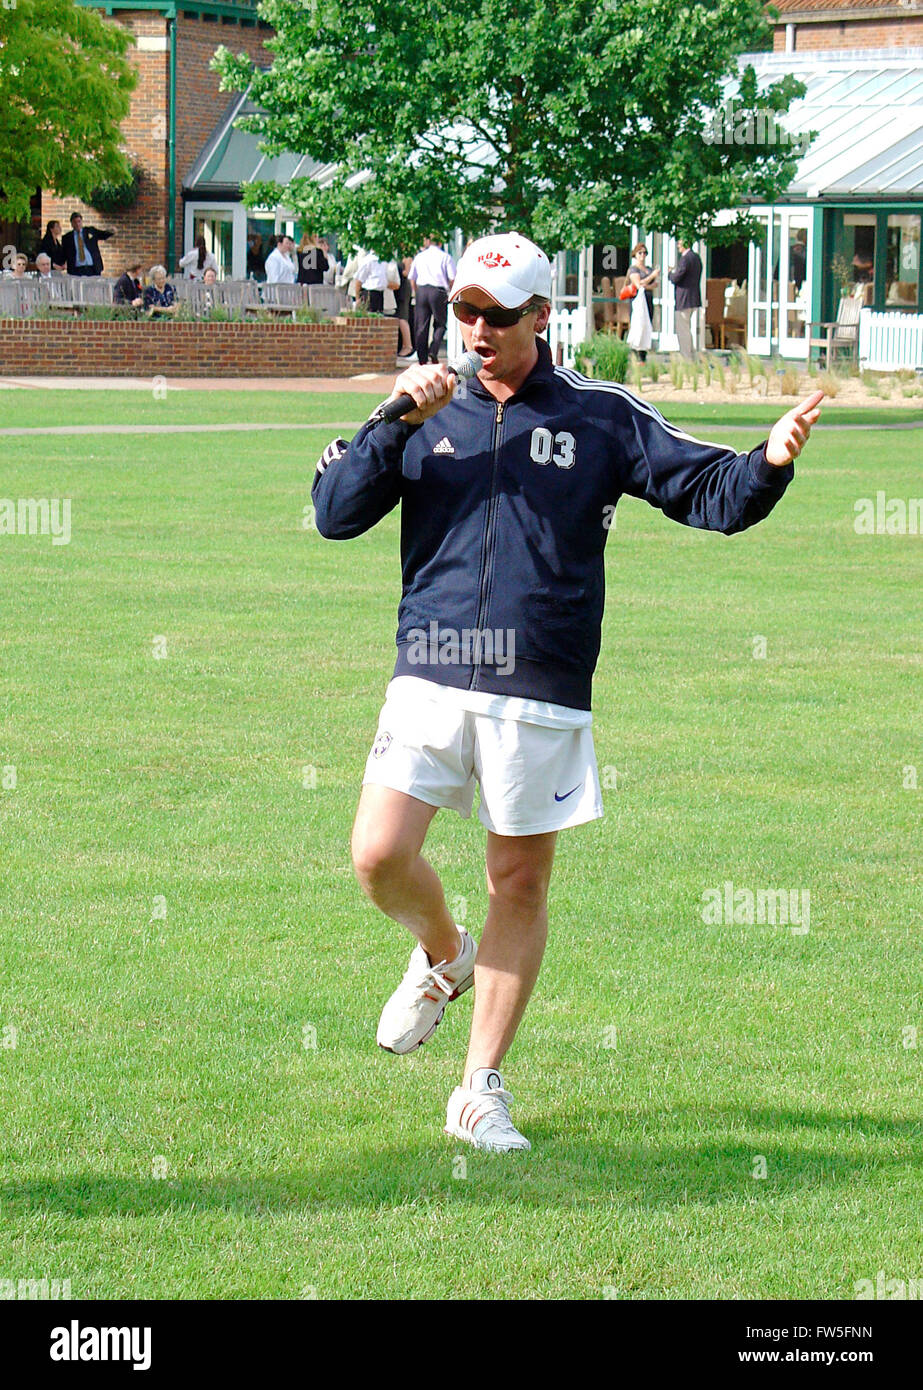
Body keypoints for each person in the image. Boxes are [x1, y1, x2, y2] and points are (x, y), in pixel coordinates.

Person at [311, 230, 823, 1154]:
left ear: (541, 318)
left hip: (540, 685)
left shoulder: (600, 414)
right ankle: (441, 951)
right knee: (377, 857)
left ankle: (478, 1088)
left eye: (497, 317)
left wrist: (769, 462)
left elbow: (705, 489)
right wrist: (392, 425)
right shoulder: (420, 403)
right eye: (464, 311)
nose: (475, 330)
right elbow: (334, 516)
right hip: (427, 667)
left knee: (519, 880)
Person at [409, 235, 456, 364]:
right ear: (440, 243)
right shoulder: (446, 257)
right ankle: (434, 350)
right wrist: (450, 291)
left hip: (422, 290)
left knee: (421, 325)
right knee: (440, 323)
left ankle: (422, 358)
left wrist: (416, 291)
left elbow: (412, 277)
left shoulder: (420, 256)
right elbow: (453, 277)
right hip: (438, 291)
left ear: (429, 242)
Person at [667, 238, 703, 360]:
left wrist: (670, 273)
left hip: (684, 299)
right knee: (687, 329)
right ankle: (692, 356)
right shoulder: (697, 258)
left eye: (680, 243)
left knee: (683, 330)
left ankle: (687, 358)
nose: (678, 246)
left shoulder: (685, 259)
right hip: (694, 298)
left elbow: (677, 277)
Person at [625, 242, 658, 361]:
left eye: (644, 253)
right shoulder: (633, 269)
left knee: (647, 325)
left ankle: (643, 356)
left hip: (648, 299)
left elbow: (655, 285)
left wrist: (647, 284)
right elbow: (638, 284)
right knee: (637, 326)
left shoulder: (648, 269)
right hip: (637, 300)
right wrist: (650, 280)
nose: (642, 255)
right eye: (640, 253)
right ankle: (634, 354)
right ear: (635, 255)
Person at [61, 212, 114, 276]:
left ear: (81, 222)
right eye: (75, 222)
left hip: (92, 267)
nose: (77, 224)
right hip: (76, 269)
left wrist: (110, 232)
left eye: (79, 221)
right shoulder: (67, 238)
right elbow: (64, 253)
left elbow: (101, 235)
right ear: (72, 224)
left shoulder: (90, 231)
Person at [395, 253, 415, 359]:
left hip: (403, 287)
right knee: (399, 316)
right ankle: (404, 345)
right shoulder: (397, 255)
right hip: (398, 287)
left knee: (402, 316)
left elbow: (407, 273)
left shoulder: (407, 256)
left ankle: (408, 346)